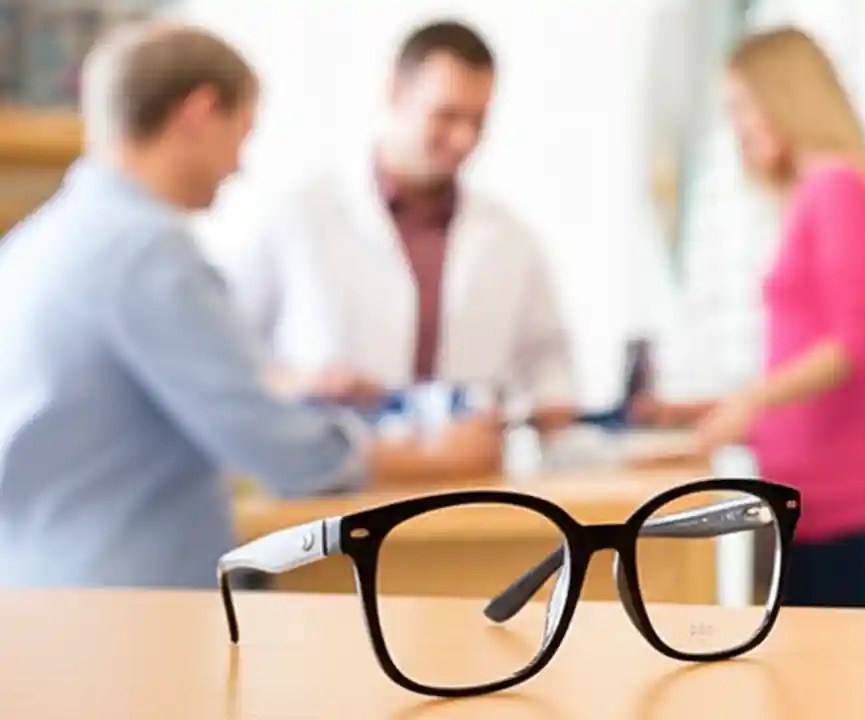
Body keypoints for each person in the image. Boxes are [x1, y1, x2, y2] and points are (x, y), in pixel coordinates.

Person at [0, 23, 498, 589]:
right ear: (200, 111)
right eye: (241, 133)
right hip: (124, 606)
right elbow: (279, 447)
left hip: (42, 586)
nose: (239, 166)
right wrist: (438, 458)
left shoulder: (38, 241)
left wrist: (290, 390)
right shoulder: (144, 251)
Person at [216, 21, 576, 428]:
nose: (463, 139)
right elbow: (225, 355)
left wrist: (551, 408)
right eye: (446, 116)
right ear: (395, 93)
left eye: (478, 121)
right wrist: (302, 384)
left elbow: (548, 363)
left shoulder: (510, 237)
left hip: (467, 464)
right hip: (330, 461)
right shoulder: (297, 216)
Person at [694, 28, 865, 608]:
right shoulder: (814, 194)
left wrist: (752, 399)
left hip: (842, 504)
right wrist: (730, 406)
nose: (738, 126)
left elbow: (850, 345)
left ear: (784, 95)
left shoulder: (836, 187)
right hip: (807, 500)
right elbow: (805, 349)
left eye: (742, 105)